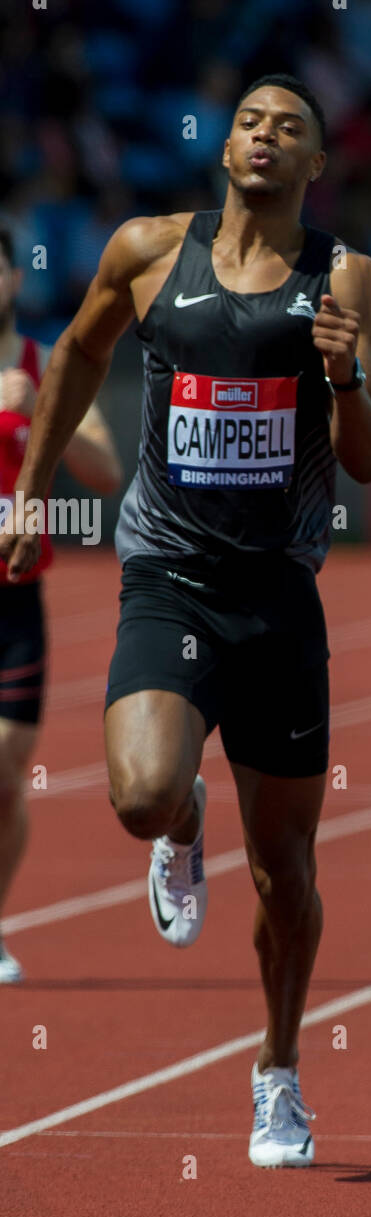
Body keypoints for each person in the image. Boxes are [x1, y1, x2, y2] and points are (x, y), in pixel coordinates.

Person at [0, 75, 371, 1165]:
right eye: (251, 122)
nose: (266, 137)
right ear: (225, 147)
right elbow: (76, 352)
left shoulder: (344, 274)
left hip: (278, 593)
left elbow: (368, 456)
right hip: (169, 572)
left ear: (317, 165)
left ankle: (278, 1068)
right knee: (139, 792)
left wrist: (347, 376)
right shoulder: (144, 249)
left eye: (292, 130)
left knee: (287, 873)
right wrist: (31, 489)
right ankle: (181, 820)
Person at [0, 224, 121, 984]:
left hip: (15, 604)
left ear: (16, 277)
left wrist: (43, 405)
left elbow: (107, 470)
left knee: (4, 777)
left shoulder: (43, 365)